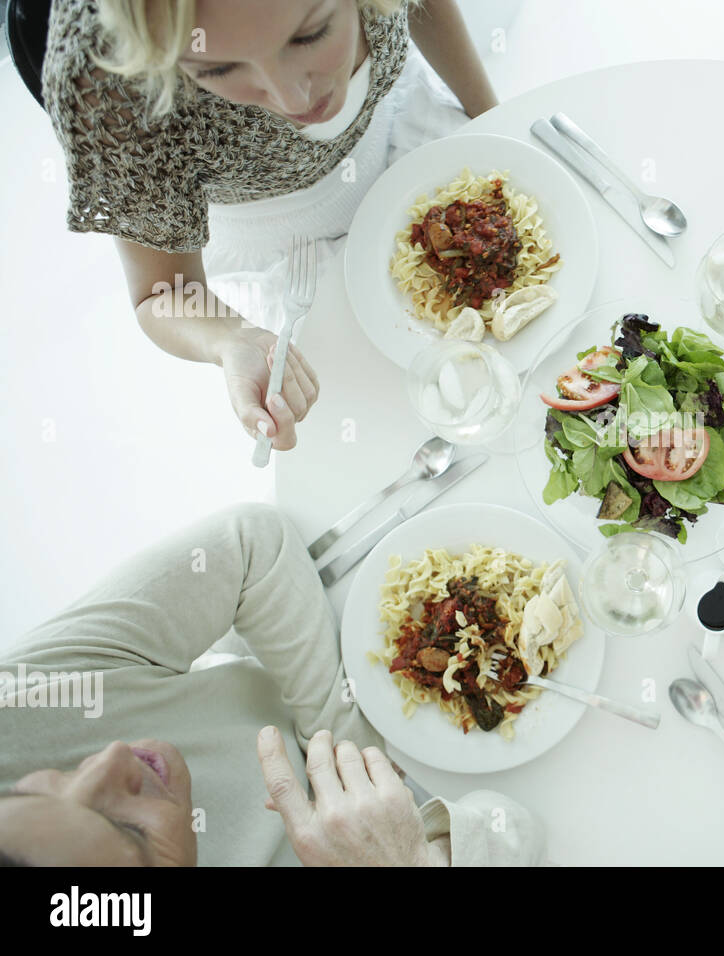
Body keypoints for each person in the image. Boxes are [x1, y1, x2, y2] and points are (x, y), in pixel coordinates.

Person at [34, 0, 498, 451]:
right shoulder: (104, 74)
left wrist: (493, 120)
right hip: (288, 249)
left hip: (405, 125)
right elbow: (162, 291)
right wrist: (230, 339)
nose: (291, 98)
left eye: (309, 35)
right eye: (216, 69)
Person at [0, 504, 544, 866]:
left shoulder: (15, 706)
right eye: (131, 833)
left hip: (340, 697)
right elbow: (514, 831)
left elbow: (251, 545)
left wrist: (349, 747)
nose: (110, 758)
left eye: (33, 787)